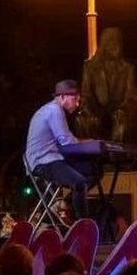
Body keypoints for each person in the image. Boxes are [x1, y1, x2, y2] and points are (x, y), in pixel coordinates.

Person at [25, 79, 101, 221]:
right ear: (63, 96)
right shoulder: (55, 110)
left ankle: (63, 204)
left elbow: (65, 141)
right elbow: (66, 141)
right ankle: (83, 224)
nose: (77, 104)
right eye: (75, 99)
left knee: (94, 171)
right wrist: (88, 143)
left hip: (53, 157)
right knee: (79, 182)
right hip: (43, 161)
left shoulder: (52, 110)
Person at [77, 27, 137, 142]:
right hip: (97, 108)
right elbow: (86, 93)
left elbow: (131, 95)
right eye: (109, 41)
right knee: (84, 119)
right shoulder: (90, 66)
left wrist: (124, 109)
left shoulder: (128, 68)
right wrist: (86, 108)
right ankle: (90, 149)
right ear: (103, 44)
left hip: (118, 108)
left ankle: (116, 151)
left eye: (115, 41)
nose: (112, 45)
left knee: (122, 120)